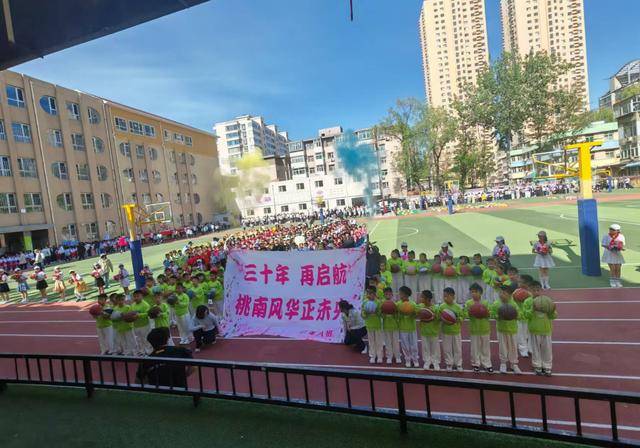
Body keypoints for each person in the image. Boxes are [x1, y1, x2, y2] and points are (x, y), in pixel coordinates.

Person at [523, 281, 557, 376]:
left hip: (546, 329)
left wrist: (552, 311)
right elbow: (526, 315)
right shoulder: (527, 302)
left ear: (541, 290)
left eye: (538, 290)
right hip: (534, 329)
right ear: (529, 291)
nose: (536, 292)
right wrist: (533, 309)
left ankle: (547, 366)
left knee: (547, 350)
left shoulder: (547, 301)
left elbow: (554, 316)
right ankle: (537, 365)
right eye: (533, 290)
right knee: (535, 349)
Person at [491, 284, 521, 374]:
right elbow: (492, 314)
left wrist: (514, 315)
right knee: (503, 347)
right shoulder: (496, 304)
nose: (501, 294)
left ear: (510, 295)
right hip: (501, 329)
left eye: (504, 293)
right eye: (500, 292)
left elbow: (519, 315)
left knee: (513, 347)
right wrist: (498, 316)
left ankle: (514, 364)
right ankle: (503, 363)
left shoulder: (514, 304)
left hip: (512, 330)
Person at [464, 283, 493, 373]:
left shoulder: (486, 303)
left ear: (480, 293)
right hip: (474, 329)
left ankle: (487, 363)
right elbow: (465, 314)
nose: (473, 294)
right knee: (475, 348)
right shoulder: (468, 303)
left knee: (485, 348)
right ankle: (476, 363)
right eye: (472, 292)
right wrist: (470, 312)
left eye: (475, 292)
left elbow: (490, 314)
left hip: (485, 328)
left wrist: (485, 312)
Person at [439, 287, 463, 372]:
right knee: (447, 349)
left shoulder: (458, 307)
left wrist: (457, 319)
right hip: (446, 331)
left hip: (456, 331)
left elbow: (462, 317)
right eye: (444, 296)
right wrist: (443, 319)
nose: (445, 298)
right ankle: (449, 363)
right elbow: (439, 317)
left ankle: (458, 364)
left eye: (447, 296)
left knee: (458, 349)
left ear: (453, 296)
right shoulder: (442, 307)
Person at [397, 286, 419, 368]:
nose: (399, 295)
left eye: (401, 293)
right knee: (405, 345)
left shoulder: (413, 304)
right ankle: (407, 359)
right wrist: (401, 313)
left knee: (414, 345)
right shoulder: (398, 304)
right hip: (403, 328)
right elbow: (396, 316)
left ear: (406, 294)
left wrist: (413, 313)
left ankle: (415, 359)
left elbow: (417, 315)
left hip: (412, 328)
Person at [418, 290, 440, 371]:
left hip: (434, 331)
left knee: (435, 348)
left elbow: (439, 318)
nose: (420, 298)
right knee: (425, 348)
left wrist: (434, 315)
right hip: (424, 331)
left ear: (427, 299)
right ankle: (427, 361)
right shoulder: (420, 306)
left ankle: (435, 362)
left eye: (422, 297)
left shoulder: (436, 308)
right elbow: (417, 314)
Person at [362, 286, 382, 364]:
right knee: (371, 341)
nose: (369, 295)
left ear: (375, 294)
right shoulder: (365, 302)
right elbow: (363, 314)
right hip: (369, 325)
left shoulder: (378, 302)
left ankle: (379, 356)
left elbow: (381, 314)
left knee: (378, 341)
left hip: (377, 324)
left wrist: (376, 311)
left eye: (371, 293)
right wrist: (365, 313)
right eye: (368, 293)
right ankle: (373, 356)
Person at [381, 287, 401, 364]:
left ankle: (397, 356)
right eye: (386, 294)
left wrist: (394, 312)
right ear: (384, 295)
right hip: (386, 326)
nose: (388, 296)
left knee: (395, 342)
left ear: (392, 294)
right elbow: (381, 316)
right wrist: (384, 313)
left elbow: (398, 316)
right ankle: (389, 356)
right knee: (388, 342)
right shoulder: (382, 304)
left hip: (395, 326)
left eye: (389, 294)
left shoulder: (395, 303)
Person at [601, 224, 625, 288]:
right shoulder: (606, 236)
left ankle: (618, 281)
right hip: (609, 254)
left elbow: (622, 245)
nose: (610, 230)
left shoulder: (621, 236)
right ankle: (612, 281)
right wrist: (610, 247)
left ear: (617, 231)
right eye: (610, 229)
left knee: (618, 268)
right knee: (612, 268)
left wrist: (620, 248)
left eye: (613, 230)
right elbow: (603, 244)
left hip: (617, 254)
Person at [130, 290, 152, 356]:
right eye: (134, 296)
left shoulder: (145, 304)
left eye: (138, 296)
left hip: (144, 325)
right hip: (136, 325)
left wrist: (139, 315)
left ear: (142, 296)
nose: (136, 298)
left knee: (146, 339)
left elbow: (148, 314)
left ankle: (149, 351)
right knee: (139, 339)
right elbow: (131, 314)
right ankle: (142, 351)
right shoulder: (132, 305)